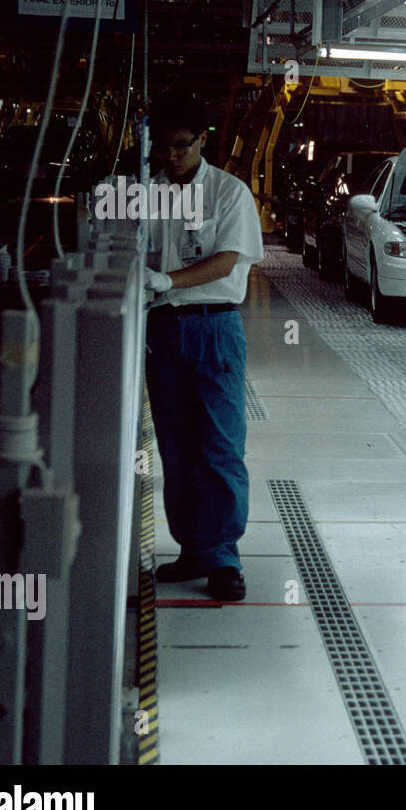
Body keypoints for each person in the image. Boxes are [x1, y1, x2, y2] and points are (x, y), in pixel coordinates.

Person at [144, 91, 265, 601]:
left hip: (213, 327)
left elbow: (229, 260)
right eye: (162, 148)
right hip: (163, 332)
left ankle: (223, 557)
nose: (171, 157)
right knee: (176, 447)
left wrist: (167, 281)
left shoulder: (229, 193)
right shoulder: (148, 191)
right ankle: (191, 548)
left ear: (201, 141)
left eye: (180, 147)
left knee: (220, 447)